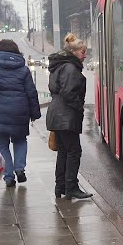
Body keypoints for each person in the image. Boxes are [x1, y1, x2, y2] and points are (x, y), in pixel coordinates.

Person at [0, 38, 41, 188]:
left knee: (2, 145)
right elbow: (31, 93)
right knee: (20, 140)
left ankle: (9, 176)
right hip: (19, 111)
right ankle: (20, 168)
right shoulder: (23, 69)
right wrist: (35, 113)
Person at [46, 33, 92, 200]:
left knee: (64, 151)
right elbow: (69, 92)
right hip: (66, 115)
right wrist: (79, 107)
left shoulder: (59, 66)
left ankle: (61, 186)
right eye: (82, 52)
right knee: (74, 151)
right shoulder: (70, 68)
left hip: (57, 114)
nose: (85, 55)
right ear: (73, 53)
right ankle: (71, 186)